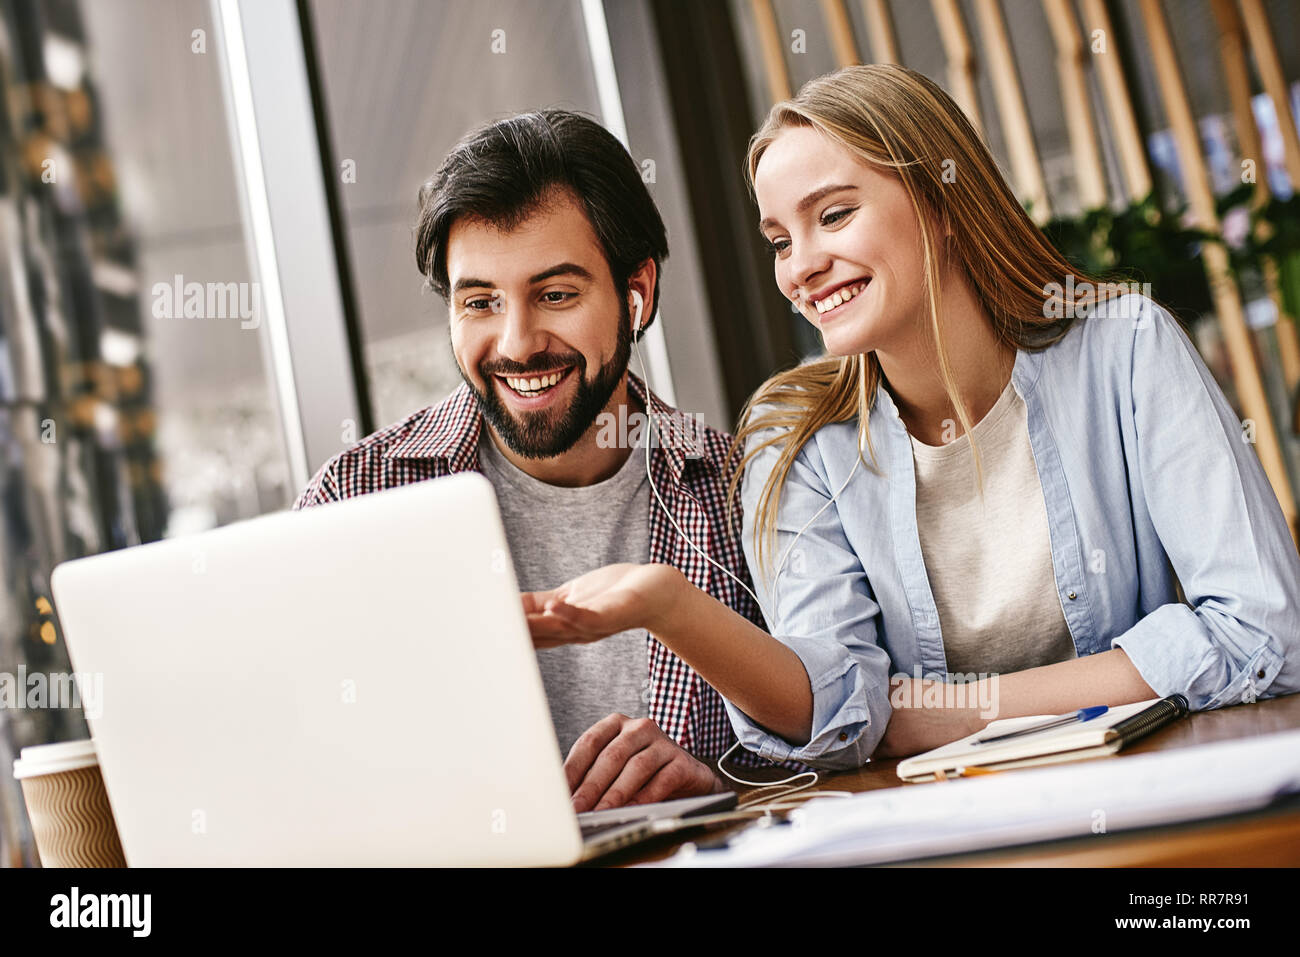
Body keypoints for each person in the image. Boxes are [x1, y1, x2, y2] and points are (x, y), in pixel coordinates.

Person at [523, 65, 1300, 770]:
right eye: (779, 240)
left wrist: (951, 710)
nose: (799, 267)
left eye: (833, 215)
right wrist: (665, 604)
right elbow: (841, 715)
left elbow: (1264, 631)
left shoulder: (1126, 351)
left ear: (941, 201)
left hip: (1161, 794)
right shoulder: (798, 442)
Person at [294, 109, 773, 808]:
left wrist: (718, 788)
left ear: (636, 293)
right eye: (481, 301)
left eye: (555, 294)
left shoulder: (743, 494)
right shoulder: (354, 499)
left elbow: (832, 743)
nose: (517, 343)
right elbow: (307, 772)